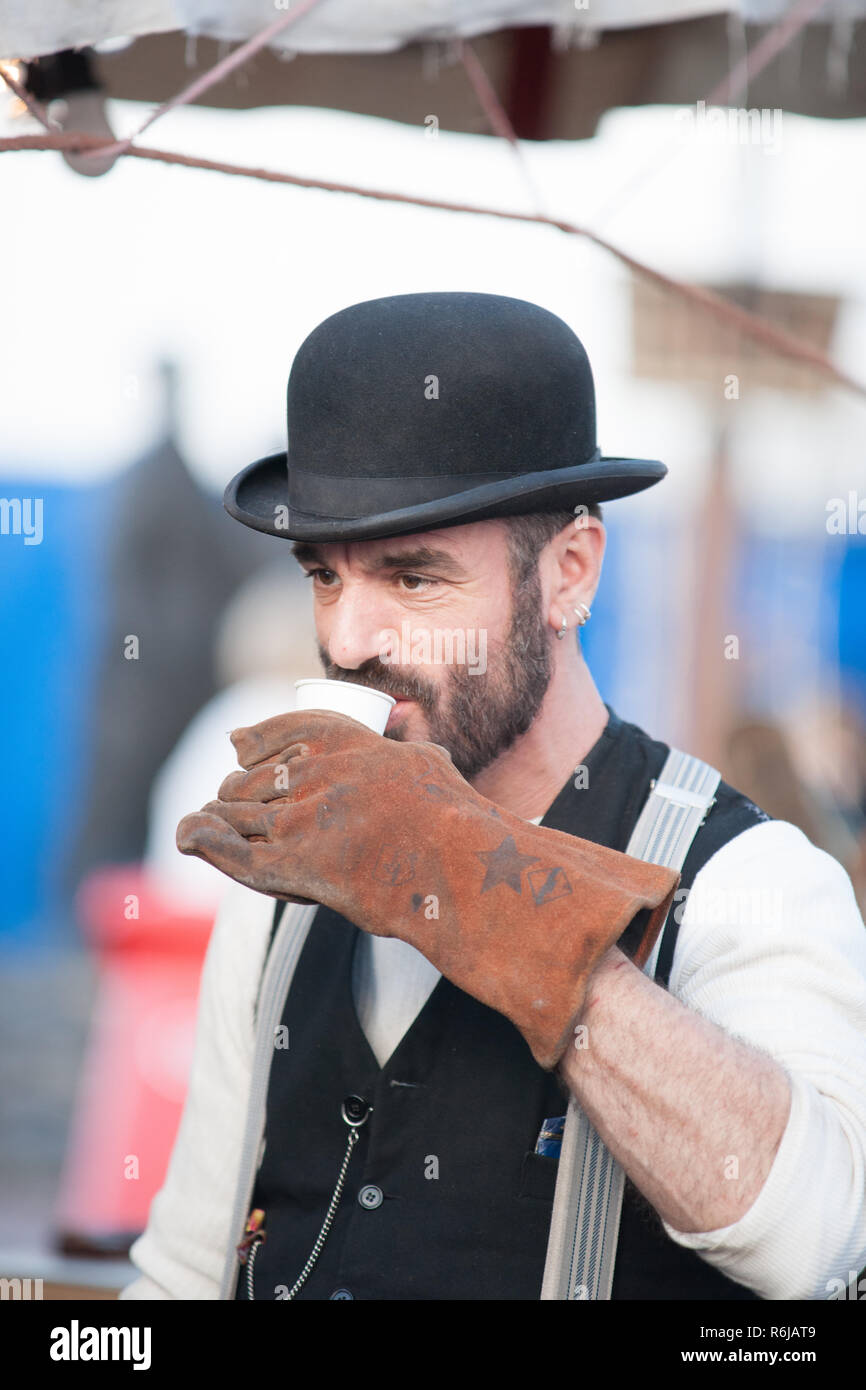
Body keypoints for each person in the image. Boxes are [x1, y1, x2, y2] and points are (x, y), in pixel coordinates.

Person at [119, 292, 866, 1302]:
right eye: (325, 578)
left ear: (567, 572)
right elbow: (180, 1279)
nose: (347, 639)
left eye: (412, 578)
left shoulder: (746, 878)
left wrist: (472, 883)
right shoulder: (279, 895)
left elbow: (811, 1245)